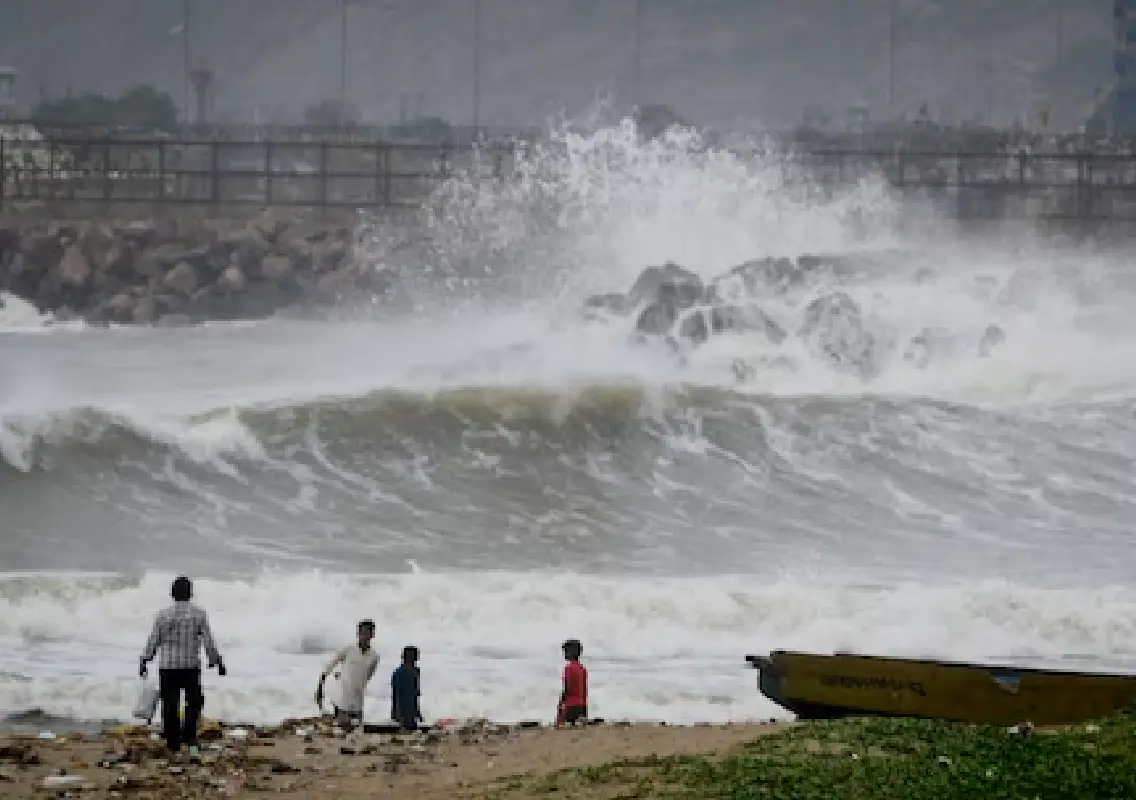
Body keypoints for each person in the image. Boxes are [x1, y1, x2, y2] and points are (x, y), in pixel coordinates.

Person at [139, 576, 226, 757]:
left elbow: (153, 640)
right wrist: (216, 661)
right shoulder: (199, 614)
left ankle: (173, 742)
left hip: (168, 667)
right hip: (190, 666)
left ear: (172, 594)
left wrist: (145, 659)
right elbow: (208, 641)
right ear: (190, 593)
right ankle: (189, 735)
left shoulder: (162, 615)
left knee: (169, 704)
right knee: (194, 701)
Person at [315, 619, 379, 727]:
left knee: (356, 729)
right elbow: (329, 666)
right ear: (358, 633)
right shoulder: (349, 650)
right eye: (362, 633)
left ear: (372, 635)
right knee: (341, 728)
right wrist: (320, 687)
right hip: (342, 698)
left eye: (368, 633)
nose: (364, 636)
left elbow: (368, 676)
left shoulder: (374, 656)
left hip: (358, 699)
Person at [555, 638, 588, 728]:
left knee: (559, 723)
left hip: (571, 707)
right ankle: (579, 720)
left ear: (570, 652)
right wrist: (585, 711)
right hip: (582, 707)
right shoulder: (583, 669)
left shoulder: (568, 668)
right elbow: (585, 691)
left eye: (565, 651)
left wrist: (560, 704)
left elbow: (567, 689)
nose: (564, 654)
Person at [390, 645, 423, 732]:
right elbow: (396, 695)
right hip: (402, 713)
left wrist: (417, 712)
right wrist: (399, 716)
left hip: (411, 713)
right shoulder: (398, 673)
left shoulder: (415, 672)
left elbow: (415, 694)